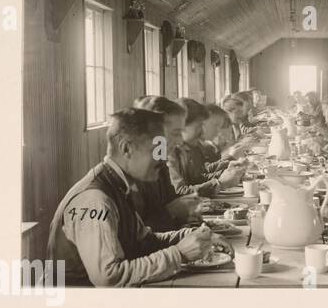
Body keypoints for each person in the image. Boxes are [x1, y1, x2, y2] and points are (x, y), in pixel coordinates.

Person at [48, 108, 221, 287]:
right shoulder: (95, 201)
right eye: (157, 150)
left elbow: (145, 241)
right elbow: (109, 278)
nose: (163, 159)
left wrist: (190, 235)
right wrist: (179, 254)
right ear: (126, 148)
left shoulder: (119, 184)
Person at [131, 95, 190, 231]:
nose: (181, 141)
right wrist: (171, 212)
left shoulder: (160, 165)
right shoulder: (130, 175)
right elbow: (134, 237)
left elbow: (172, 203)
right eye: (176, 133)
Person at [167, 98, 224, 197]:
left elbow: (198, 178)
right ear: (182, 126)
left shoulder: (192, 147)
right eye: (198, 126)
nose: (202, 132)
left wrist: (226, 171)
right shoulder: (169, 152)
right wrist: (221, 183)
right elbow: (179, 192)